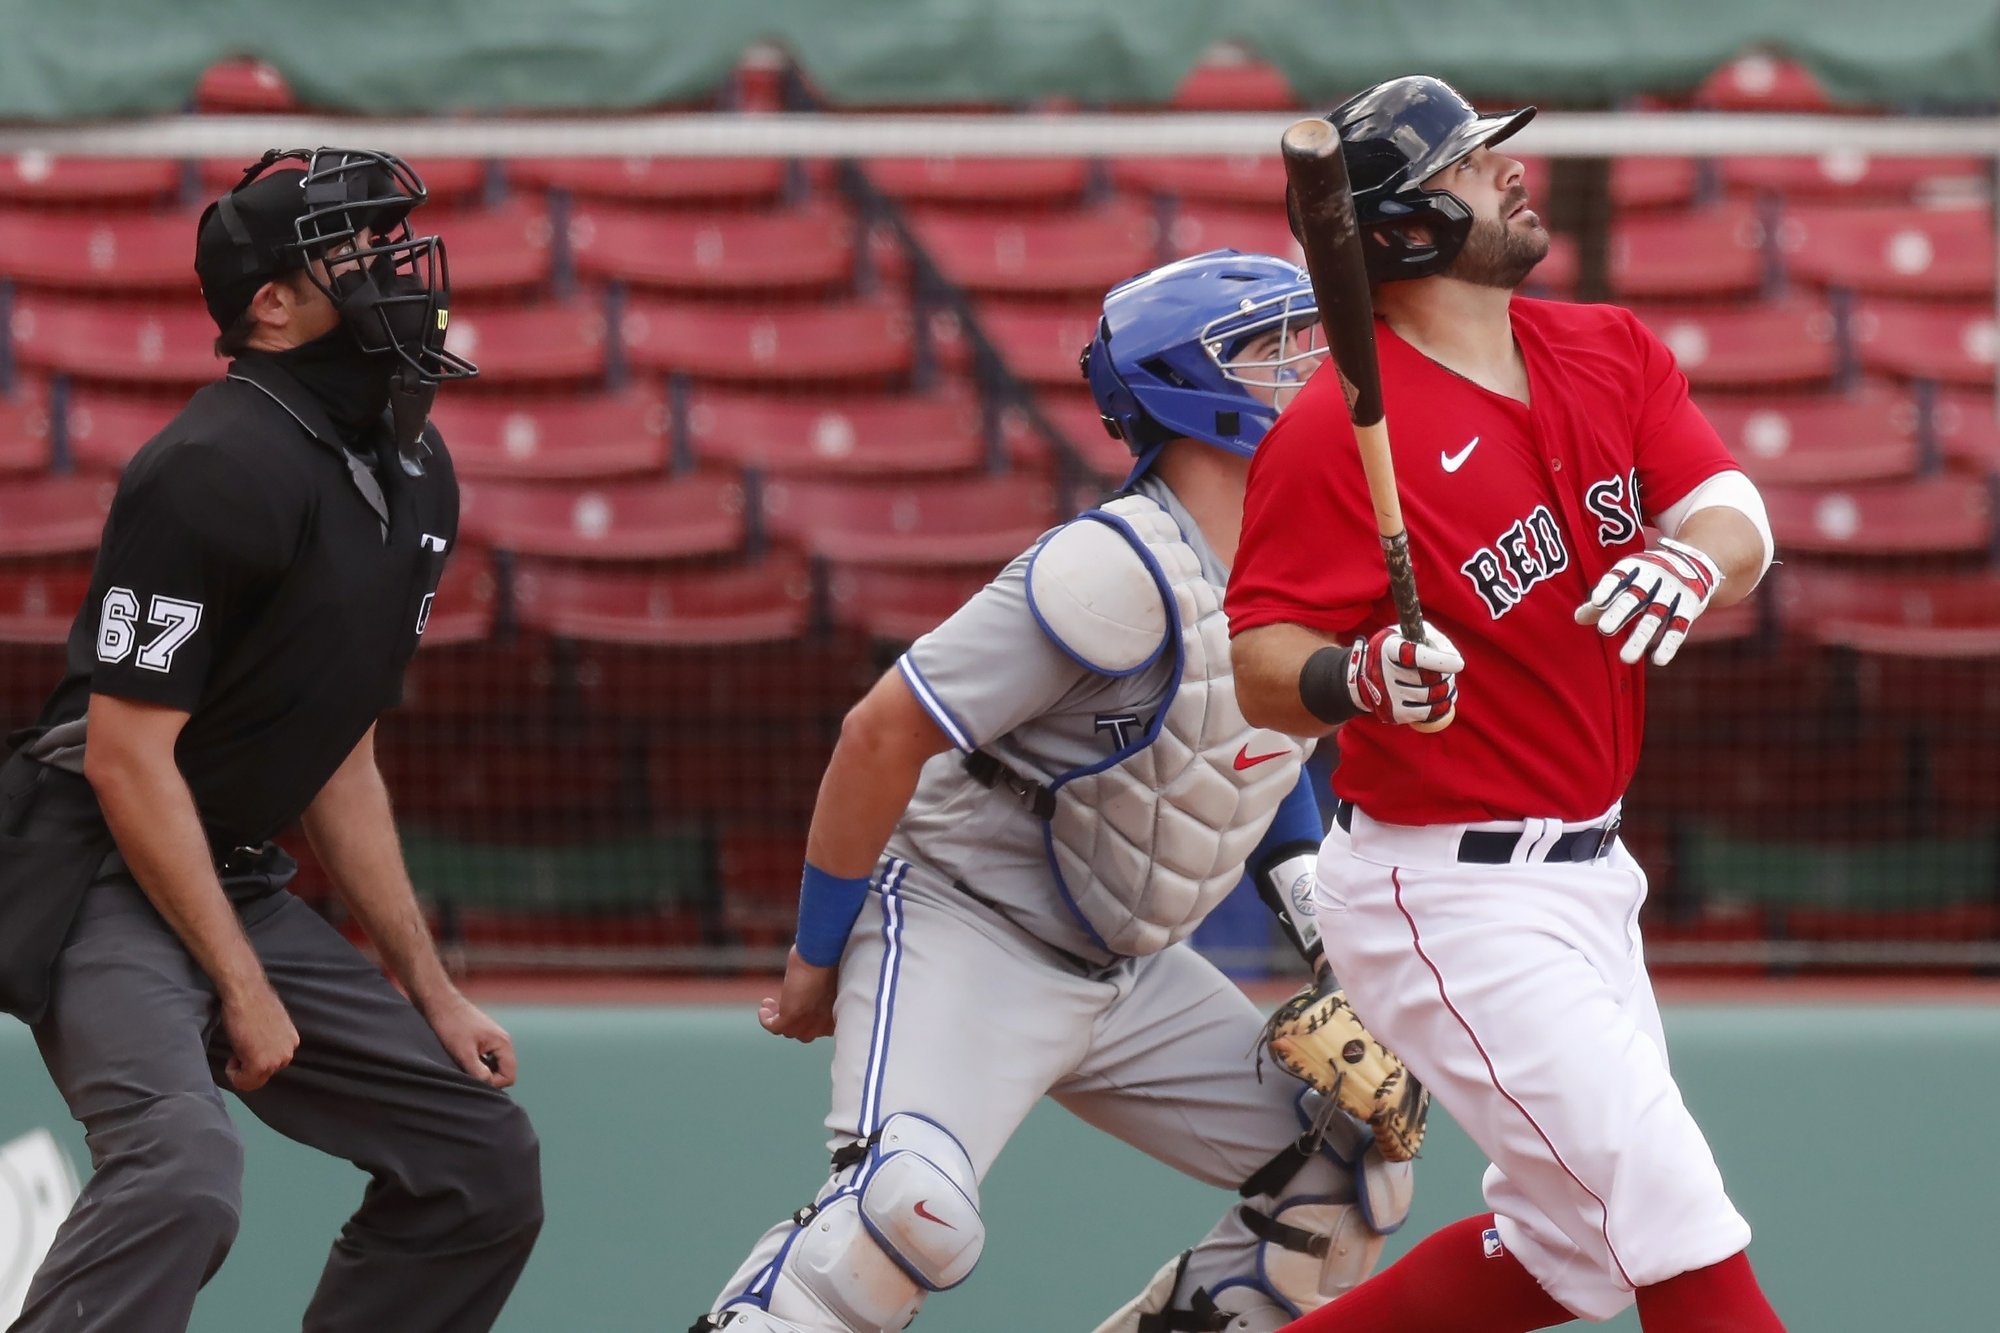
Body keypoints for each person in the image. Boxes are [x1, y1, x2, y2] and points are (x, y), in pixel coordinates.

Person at [691, 250, 1417, 1333]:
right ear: (1190, 389)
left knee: (1351, 1165)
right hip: (969, 926)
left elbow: (1255, 751)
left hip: (1130, 970)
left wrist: (1315, 914)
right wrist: (815, 953)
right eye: (1272, 350)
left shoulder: (1312, 551)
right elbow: (879, 732)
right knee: (906, 1217)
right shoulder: (1108, 570)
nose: (1311, 368)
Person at [1227, 77, 1785, 1332]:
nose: (1506, 169)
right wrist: (1356, 676)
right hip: (1446, 891)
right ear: (1405, 226)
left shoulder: (1604, 348)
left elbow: (1732, 507)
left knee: (1570, 1253)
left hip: (1588, 870)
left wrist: (1692, 556)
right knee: (1677, 1218)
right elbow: (1262, 660)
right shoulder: (1329, 434)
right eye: (1470, 161)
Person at [0, 147, 542, 1333]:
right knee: (183, 1176)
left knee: (480, 1163)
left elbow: (336, 749)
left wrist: (431, 991)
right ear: (274, 304)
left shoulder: (413, 465)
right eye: (353, 251)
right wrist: (241, 988)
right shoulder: (207, 465)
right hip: (101, 869)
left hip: (233, 870)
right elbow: (124, 758)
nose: (393, 268)